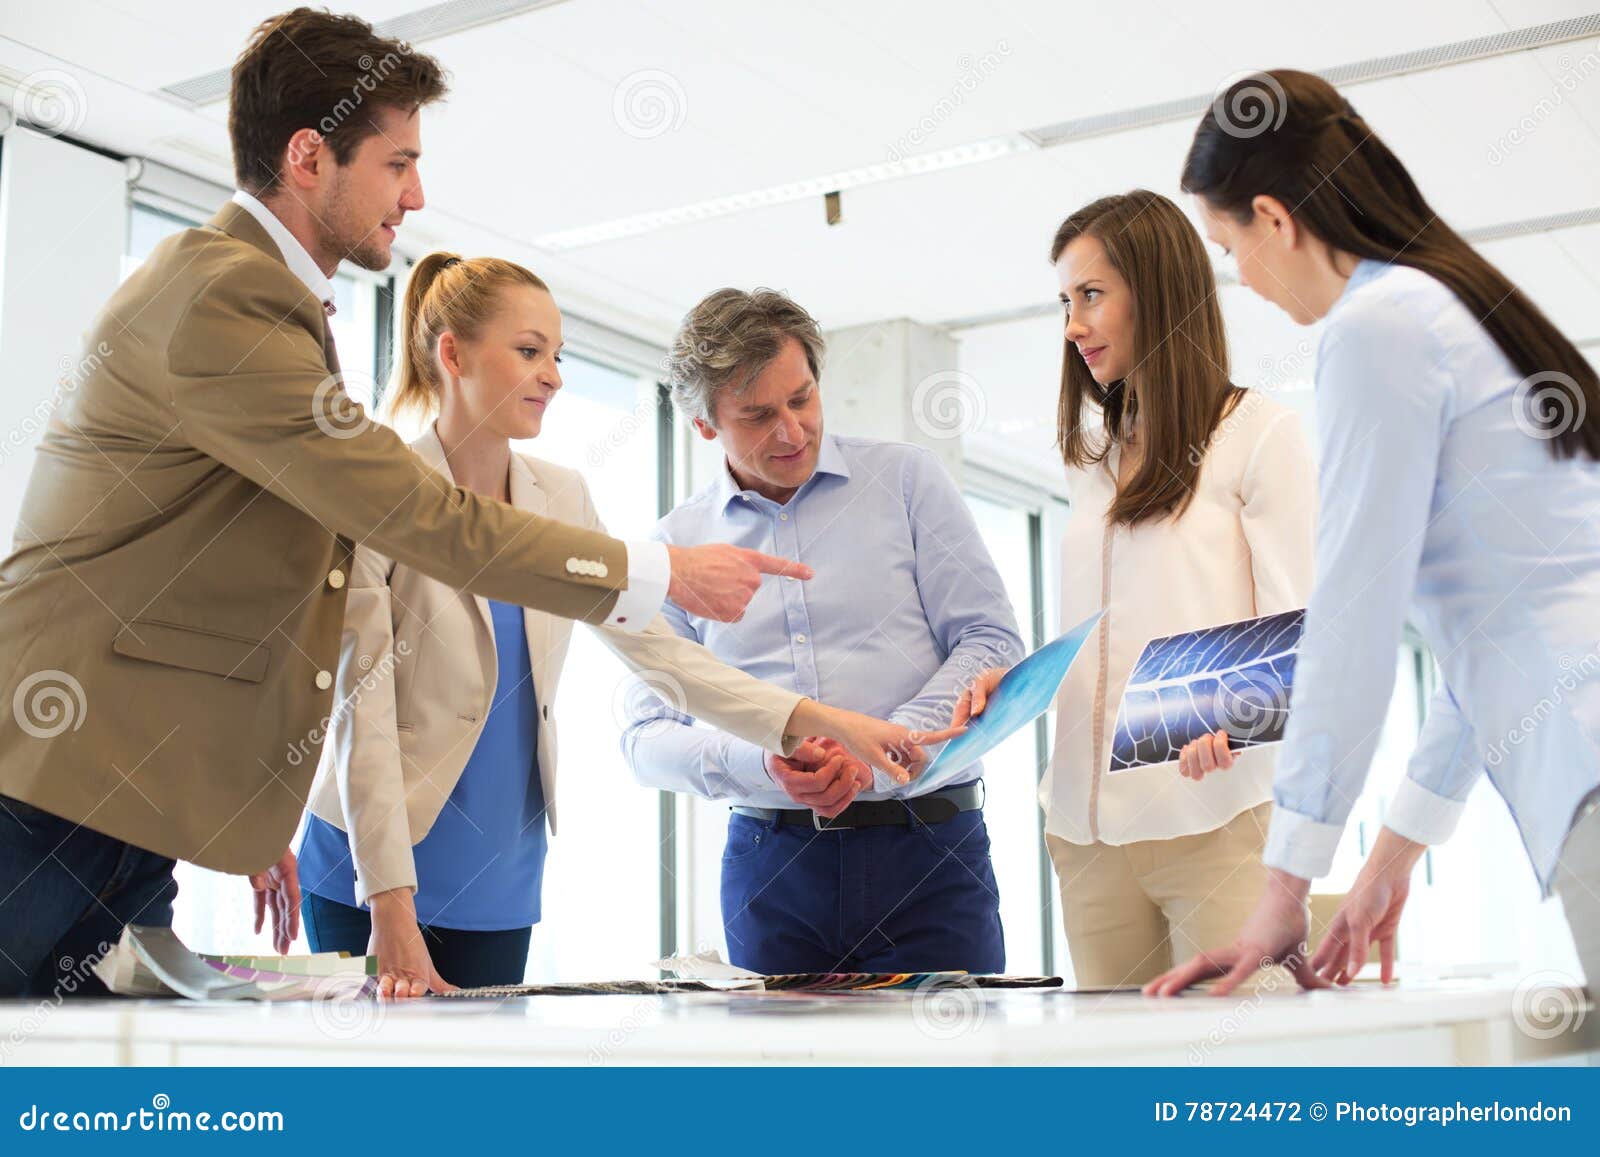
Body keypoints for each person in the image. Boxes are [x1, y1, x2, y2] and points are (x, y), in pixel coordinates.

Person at [0, 8, 890, 998]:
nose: (415, 193)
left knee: (83, 1074)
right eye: (396, 162)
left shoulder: (262, 302)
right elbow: (418, 528)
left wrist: (807, 716)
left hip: (125, 793)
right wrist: (666, 568)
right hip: (48, 777)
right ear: (308, 155)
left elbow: (236, 584)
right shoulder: (226, 296)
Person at [297, 255, 950, 996]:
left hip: (500, 871)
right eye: (529, 350)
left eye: (558, 354)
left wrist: (815, 721)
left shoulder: (561, 498)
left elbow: (665, 659)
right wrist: (389, 903)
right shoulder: (384, 492)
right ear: (453, 354)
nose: (553, 374)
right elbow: (364, 714)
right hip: (371, 871)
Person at [1146, 69, 1600, 996]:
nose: (1239, 276)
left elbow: (1356, 623)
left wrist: (1285, 884)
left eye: (1228, 245)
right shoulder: (1455, 302)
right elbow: (1494, 639)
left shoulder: (1376, 330)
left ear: (1273, 218)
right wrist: (1391, 857)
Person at [953, 190, 1316, 987]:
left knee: (1240, 1077)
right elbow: (1103, 639)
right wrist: (1010, 687)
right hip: (1086, 834)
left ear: (1156, 291)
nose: (1072, 325)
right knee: (1117, 1086)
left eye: (1090, 296)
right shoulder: (1092, 458)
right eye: (1065, 302)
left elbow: (1305, 639)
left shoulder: (1259, 434)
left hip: (1214, 817)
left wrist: (1237, 717)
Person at [622, 288, 1026, 975]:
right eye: (757, 415)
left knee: (957, 1074)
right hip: (772, 867)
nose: (791, 430)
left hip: (930, 848)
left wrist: (877, 751)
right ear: (702, 424)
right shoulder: (677, 547)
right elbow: (645, 738)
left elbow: (990, 641)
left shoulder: (906, 481)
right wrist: (767, 760)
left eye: (802, 399)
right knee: (787, 1079)